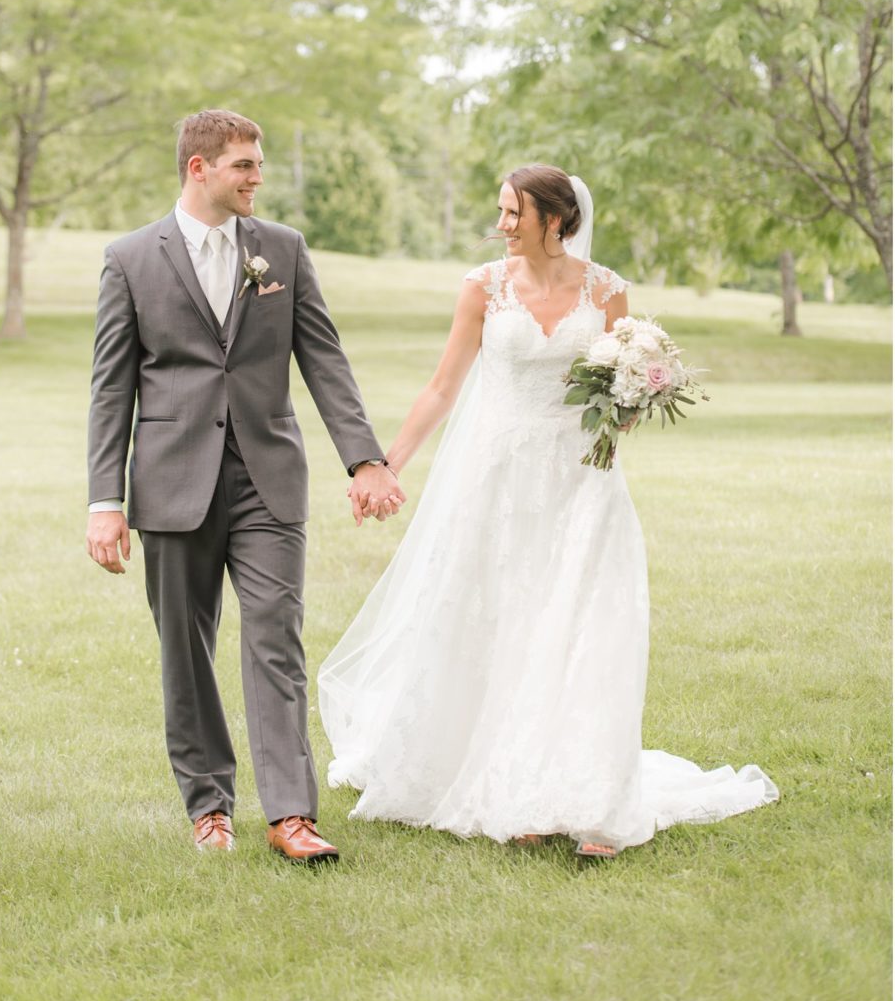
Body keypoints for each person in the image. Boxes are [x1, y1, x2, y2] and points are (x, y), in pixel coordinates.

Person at [318, 164, 778, 857]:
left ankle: (590, 798)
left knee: (582, 631)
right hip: (495, 483)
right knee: (500, 625)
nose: (501, 225)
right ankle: (515, 786)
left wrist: (631, 398)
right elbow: (443, 389)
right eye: (500, 212)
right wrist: (385, 465)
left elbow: (618, 391)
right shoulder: (481, 287)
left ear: (555, 220)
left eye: (513, 214)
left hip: (581, 485)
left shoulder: (606, 290)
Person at [86, 109, 404, 862]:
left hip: (268, 477)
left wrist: (363, 458)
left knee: (275, 640)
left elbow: (323, 359)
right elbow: (111, 388)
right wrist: (106, 501)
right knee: (185, 652)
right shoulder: (131, 258)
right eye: (243, 165)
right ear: (199, 169)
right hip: (170, 484)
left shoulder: (282, 250)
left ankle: (291, 814)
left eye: (257, 163)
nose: (257, 176)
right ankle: (210, 807)